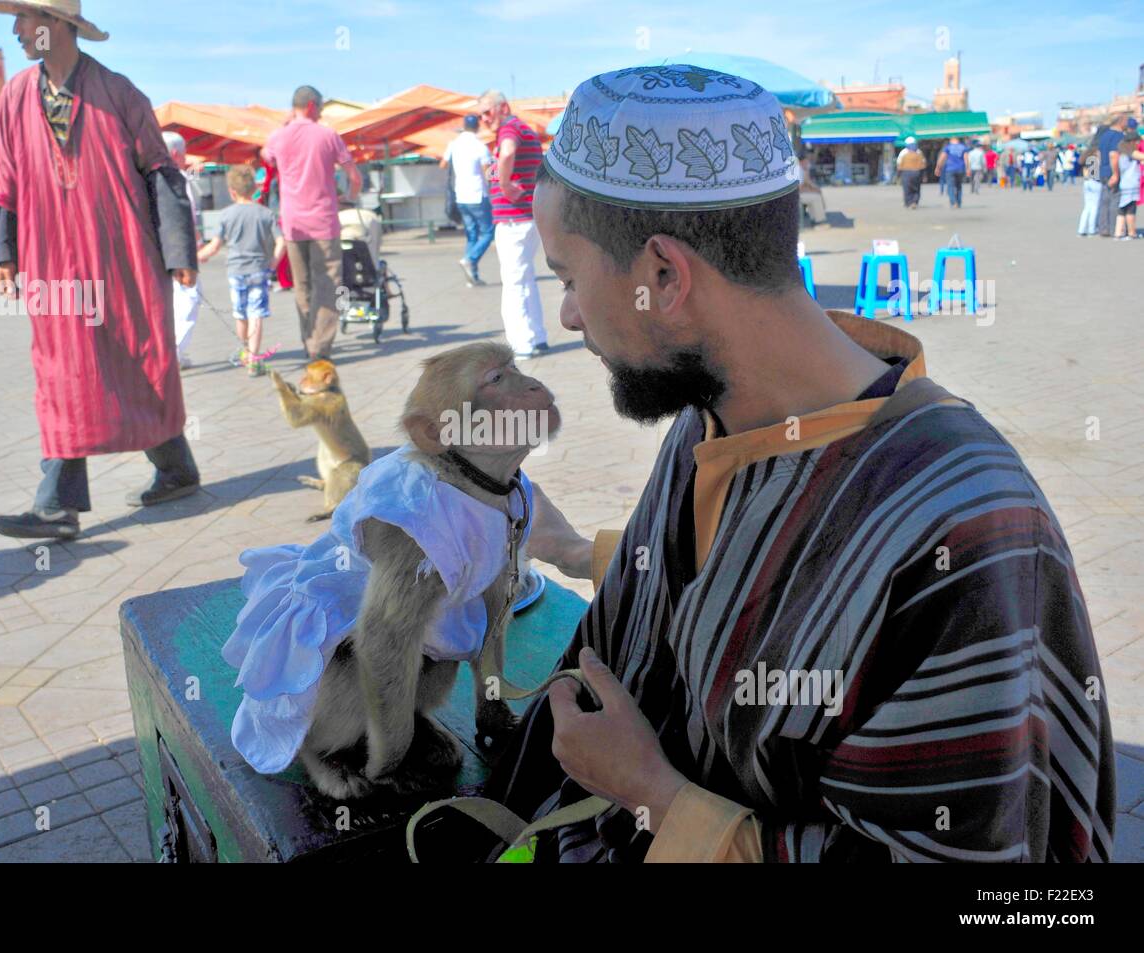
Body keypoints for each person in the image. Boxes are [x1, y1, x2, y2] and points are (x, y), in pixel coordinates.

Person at [469, 63, 1114, 863]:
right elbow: (724, 587)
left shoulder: (967, 529)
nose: (567, 313)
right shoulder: (717, 414)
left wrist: (653, 794)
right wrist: (574, 552)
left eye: (567, 277)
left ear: (664, 276)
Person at [0, 0, 201, 541]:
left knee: (139, 362)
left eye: (22, 19)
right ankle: (57, 505)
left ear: (54, 26)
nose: (13, 30)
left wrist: (179, 256)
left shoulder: (120, 93)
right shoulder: (14, 96)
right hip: (51, 262)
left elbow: (161, 173)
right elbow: (3, 180)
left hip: (125, 258)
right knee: (62, 371)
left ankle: (176, 469)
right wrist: (4, 254)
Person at [261, 85, 360, 360]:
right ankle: (321, 346)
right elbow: (354, 176)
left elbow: (264, 155)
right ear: (314, 106)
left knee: (302, 285)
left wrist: (284, 125)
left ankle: (308, 341)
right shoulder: (328, 135)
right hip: (324, 222)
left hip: (292, 224)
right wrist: (348, 197)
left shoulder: (279, 137)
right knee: (328, 285)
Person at [479, 89, 549, 359]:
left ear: (503, 107)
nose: (484, 119)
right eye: (481, 114)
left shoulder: (509, 128)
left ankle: (521, 344)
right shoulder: (524, 129)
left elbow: (507, 153)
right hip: (526, 215)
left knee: (514, 281)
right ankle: (537, 336)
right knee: (525, 278)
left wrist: (505, 185)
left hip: (513, 218)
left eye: (487, 112)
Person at [197, 165, 283, 376]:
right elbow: (282, 241)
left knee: (240, 314)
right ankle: (254, 357)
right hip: (259, 269)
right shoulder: (265, 213)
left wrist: (198, 257)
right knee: (256, 314)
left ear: (232, 191)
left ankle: (245, 350)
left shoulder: (226, 214)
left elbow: (215, 245)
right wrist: (273, 262)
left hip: (236, 270)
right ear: (254, 188)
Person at [440, 114, 494, 287]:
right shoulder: (480, 146)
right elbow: (488, 173)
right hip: (477, 194)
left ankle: (472, 277)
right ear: (477, 127)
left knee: (471, 234)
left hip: (460, 195)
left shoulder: (453, 144)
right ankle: (470, 259)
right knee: (488, 232)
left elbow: (443, 164)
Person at [163, 132, 201, 369]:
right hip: (180, 252)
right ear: (176, 154)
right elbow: (185, 214)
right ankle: (174, 351)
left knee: (173, 301)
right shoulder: (178, 178)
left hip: (161, 250)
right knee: (189, 300)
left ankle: (171, 350)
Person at [1095, 114, 1129, 236]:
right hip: (1112, 171)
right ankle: (1116, 228)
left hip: (1103, 171)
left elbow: (1098, 153)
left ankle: (1103, 228)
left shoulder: (1104, 135)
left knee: (1104, 201)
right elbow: (1113, 155)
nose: (1128, 123)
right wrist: (1115, 174)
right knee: (1116, 200)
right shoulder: (1118, 136)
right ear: (1120, 122)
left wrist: (1099, 170)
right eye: (1126, 120)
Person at [1113, 134, 1143, 240]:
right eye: (1137, 141)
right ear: (1132, 142)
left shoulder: (1121, 152)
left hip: (1124, 184)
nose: (1138, 144)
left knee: (1121, 211)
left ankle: (1118, 233)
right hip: (1131, 185)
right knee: (1130, 211)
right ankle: (1131, 233)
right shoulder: (1131, 152)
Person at [935, 136, 967, 207]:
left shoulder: (948, 147)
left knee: (950, 186)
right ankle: (959, 202)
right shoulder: (963, 147)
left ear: (951, 140)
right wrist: (968, 169)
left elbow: (942, 158)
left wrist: (938, 168)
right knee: (959, 186)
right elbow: (966, 159)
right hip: (960, 169)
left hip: (950, 169)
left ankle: (953, 202)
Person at [1078, 143, 1103, 235]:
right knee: (1094, 207)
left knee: (1087, 208)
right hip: (1095, 183)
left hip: (1086, 183)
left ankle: (1081, 229)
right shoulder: (1094, 159)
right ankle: (1091, 229)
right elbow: (1094, 175)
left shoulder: (1086, 159)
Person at [894, 137, 926, 208]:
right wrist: (924, 175)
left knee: (907, 188)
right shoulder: (919, 152)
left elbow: (899, 164)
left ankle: (908, 202)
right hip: (917, 172)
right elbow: (923, 164)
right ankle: (914, 202)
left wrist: (898, 176)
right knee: (916, 188)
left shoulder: (903, 152)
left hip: (906, 172)